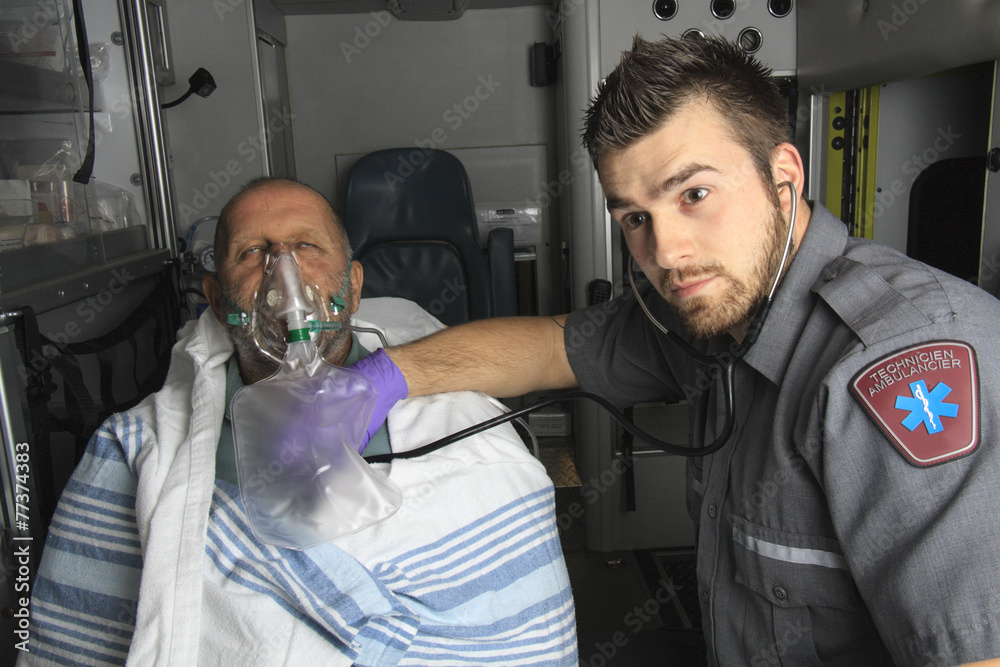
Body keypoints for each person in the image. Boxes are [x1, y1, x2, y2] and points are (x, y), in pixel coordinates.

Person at [357, 36, 1000, 665]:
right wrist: (382, 377)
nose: (665, 254)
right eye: (635, 218)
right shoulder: (715, 314)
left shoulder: (901, 361)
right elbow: (550, 347)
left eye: (693, 195)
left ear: (783, 177)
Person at [21, 178, 577, 666]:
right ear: (216, 300)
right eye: (251, 252)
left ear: (353, 285)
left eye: (307, 246)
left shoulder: (464, 426)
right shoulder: (139, 448)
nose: (282, 270)